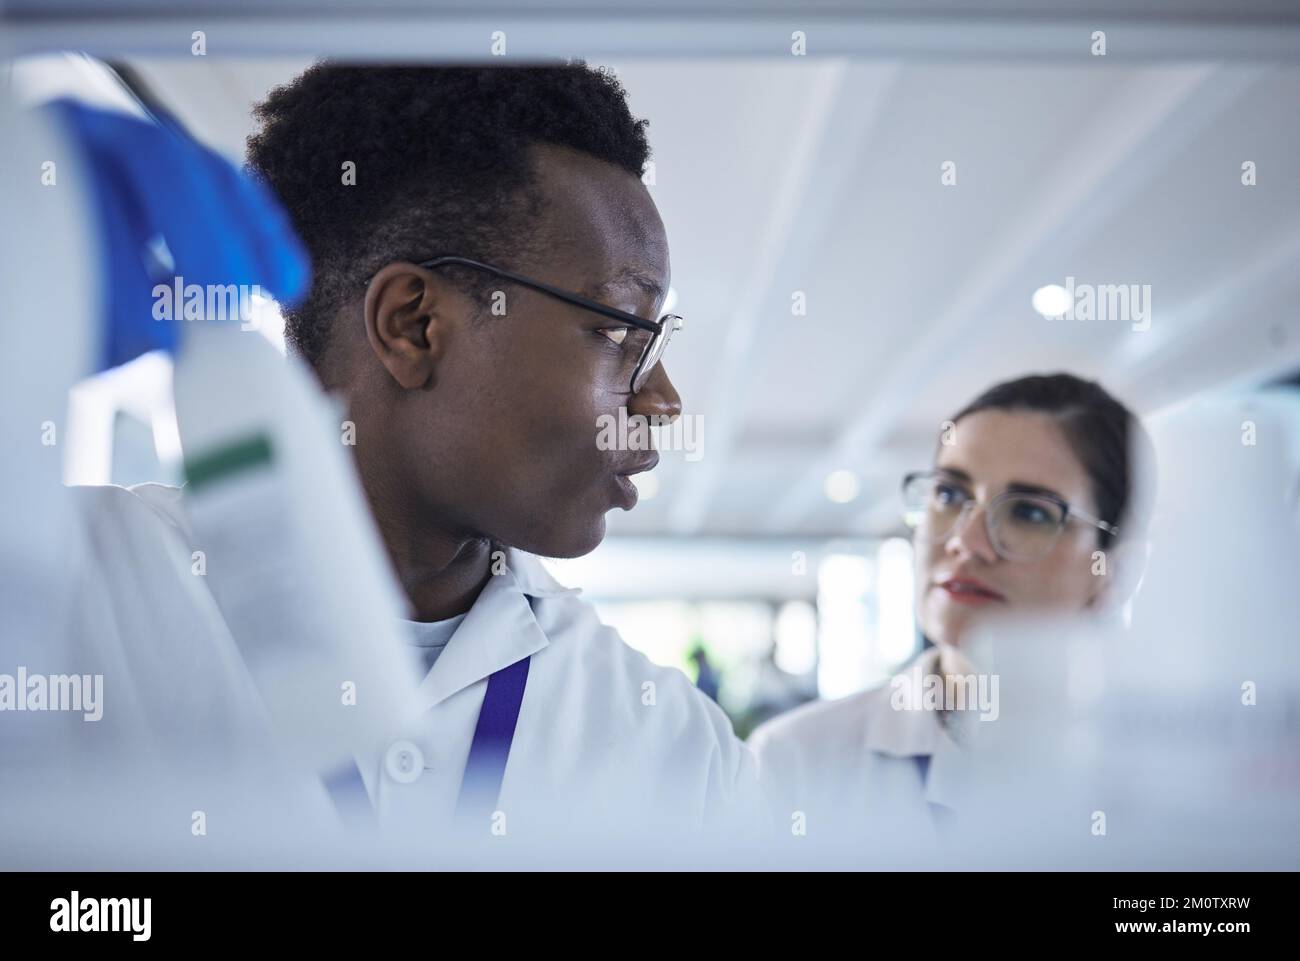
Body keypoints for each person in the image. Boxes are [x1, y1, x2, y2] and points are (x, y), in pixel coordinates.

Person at [65, 62, 761, 846]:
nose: (663, 400)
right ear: (415, 326)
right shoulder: (70, 594)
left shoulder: (674, 748)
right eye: (622, 332)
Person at [748, 373, 1152, 844]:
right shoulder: (796, 760)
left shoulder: (1175, 776)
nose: (965, 541)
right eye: (949, 495)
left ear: (1113, 567)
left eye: (1029, 513)